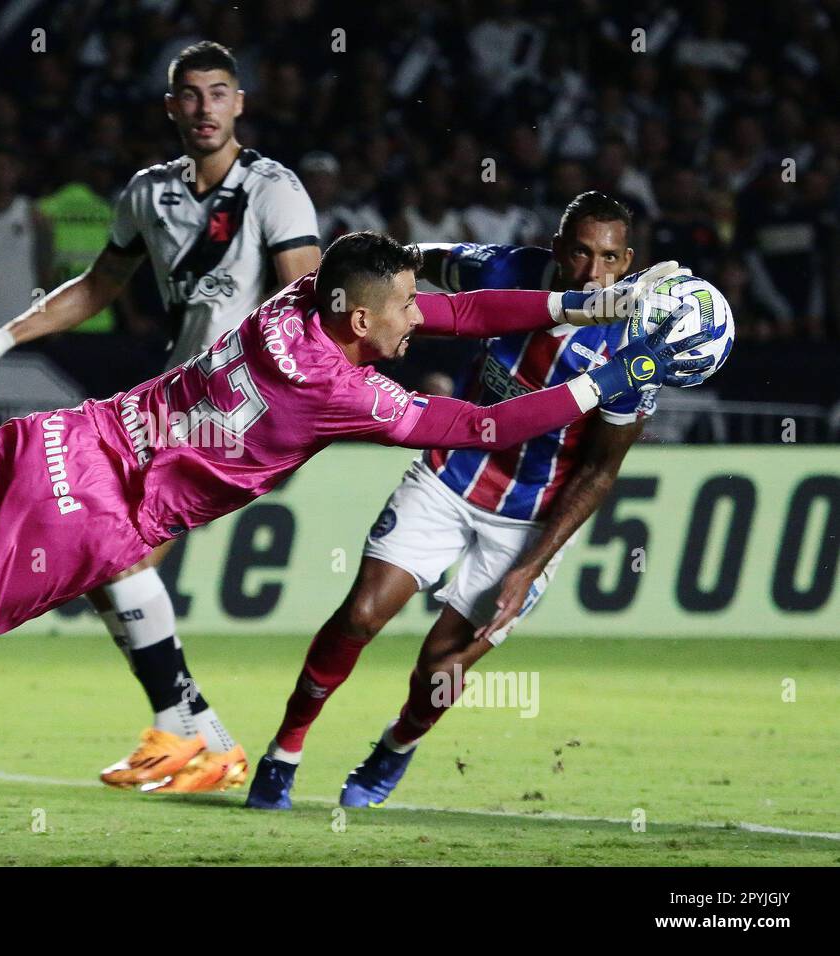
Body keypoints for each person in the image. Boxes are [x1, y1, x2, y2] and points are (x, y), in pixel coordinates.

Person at [0, 234, 709, 756]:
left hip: (65, 432)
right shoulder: (345, 391)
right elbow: (480, 421)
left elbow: (462, 314)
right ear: (365, 323)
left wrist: (588, 309)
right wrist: (615, 373)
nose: (422, 319)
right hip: (96, 511)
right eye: (404, 310)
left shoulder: (309, 300)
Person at [0, 41, 322, 793]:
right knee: (102, 562)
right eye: (190, 94)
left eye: (219, 93)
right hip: (174, 403)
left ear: (240, 103)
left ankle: (184, 733)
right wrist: (4, 336)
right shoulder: (148, 193)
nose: (204, 108)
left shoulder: (275, 192)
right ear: (171, 107)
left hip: (239, 413)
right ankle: (197, 733)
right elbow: (96, 287)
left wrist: (303, 411)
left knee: (112, 551)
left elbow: (307, 307)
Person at [245, 192, 669, 810]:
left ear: (628, 262)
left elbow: (600, 472)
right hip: (452, 473)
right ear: (556, 250)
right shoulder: (507, 272)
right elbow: (420, 260)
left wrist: (529, 566)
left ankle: (395, 745)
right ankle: (285, 750)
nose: (593, 273)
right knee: (362, 613)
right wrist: (363, 281)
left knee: (441, 669)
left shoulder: (636, 351)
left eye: (609, 259)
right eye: (579, 253)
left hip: (530, 519)